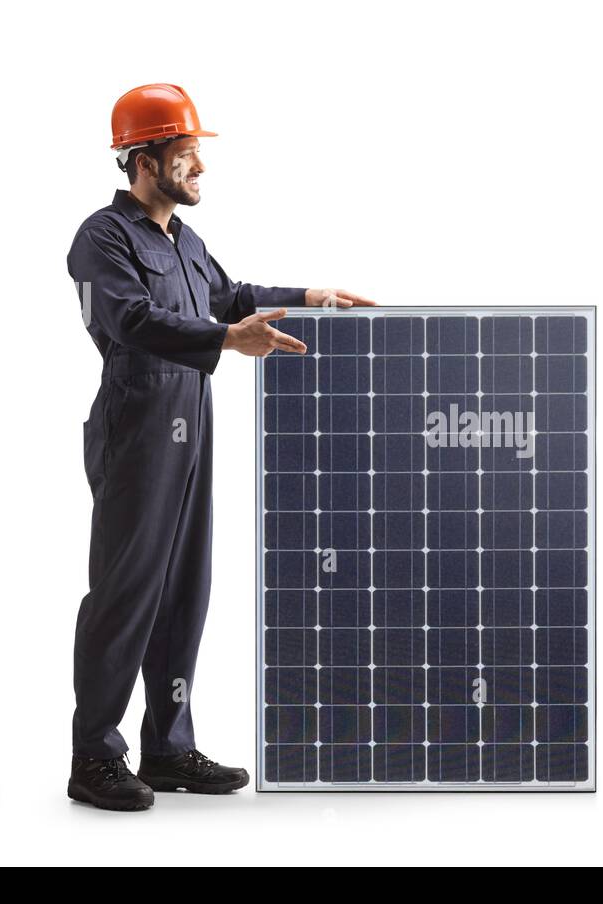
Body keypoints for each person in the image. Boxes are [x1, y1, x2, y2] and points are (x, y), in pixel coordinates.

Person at [66, 83, 374, 810]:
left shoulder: (185, 240)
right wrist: (226, 341)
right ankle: (94, 757)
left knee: (185, 588)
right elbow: (132, 320)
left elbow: (230, 297)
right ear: (142, 160)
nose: (199, 163)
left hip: (190, 421)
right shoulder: (102, 238)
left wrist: (309, 295)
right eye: (185, 150)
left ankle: (168, 749)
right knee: (126, 591)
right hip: (137, 422)